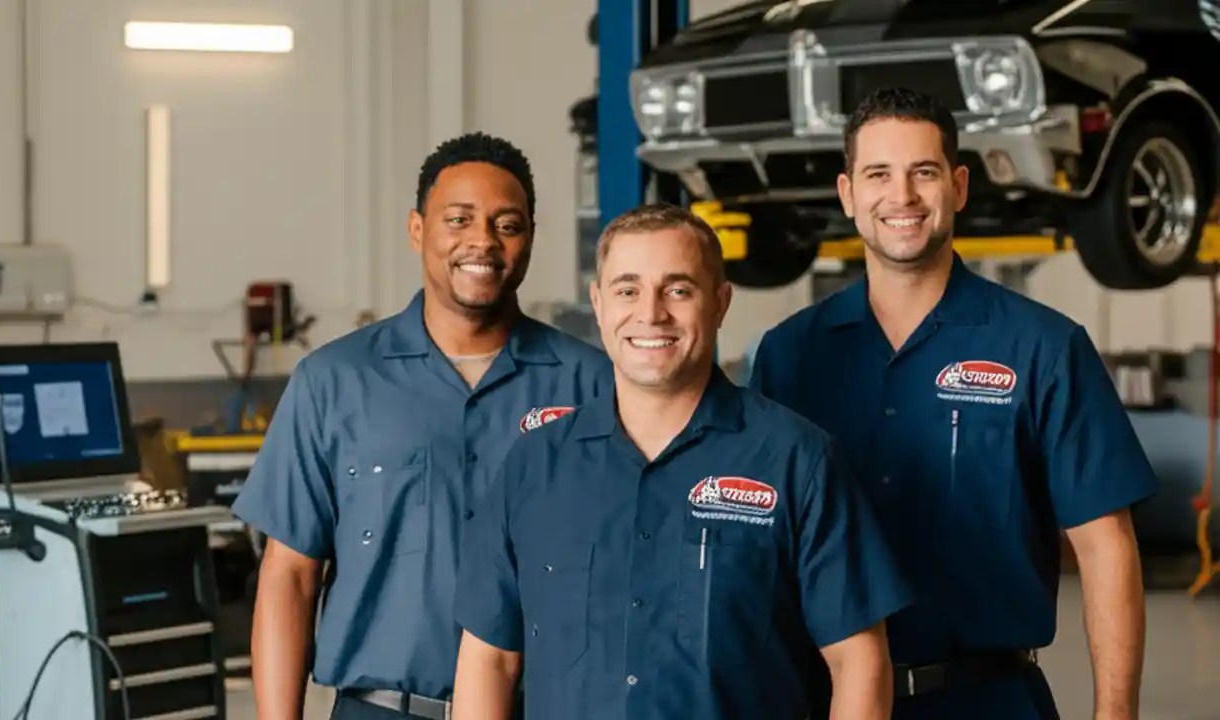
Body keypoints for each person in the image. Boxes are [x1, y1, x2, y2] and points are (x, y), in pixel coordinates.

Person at [749, 87, 1157, 720]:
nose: (902, 196)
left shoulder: (1043, 349)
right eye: (878, 174)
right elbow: (756, 549)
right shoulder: (789, 356)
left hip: (990, 701)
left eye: (924, 172)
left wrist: (1116, 715)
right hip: (827, 701)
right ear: (847, 194)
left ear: (959, 186)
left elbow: (1106, 546)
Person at [450, 203, 913, 720]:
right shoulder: (535, 465)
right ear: (599, 304)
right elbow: (490, 660)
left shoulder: (796, 461)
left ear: (720, 302)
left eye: (678, 290)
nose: (651, 314)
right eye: (627, 290)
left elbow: (859, 663)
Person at [231, 132, 612, 720]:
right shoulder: (334, 382)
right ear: (417, 230)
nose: (482, 240)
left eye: (507, 224)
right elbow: (291, 576)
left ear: (530, 238)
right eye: (458, 219)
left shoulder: (593, 385)